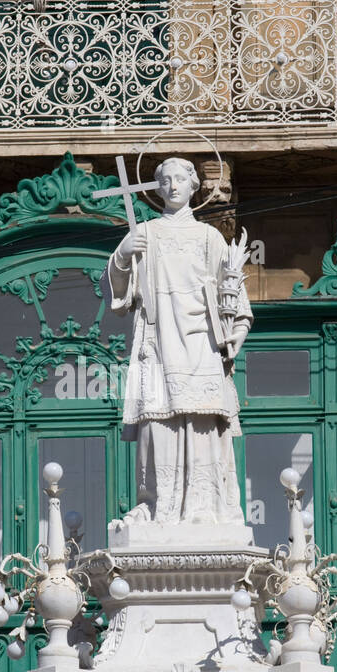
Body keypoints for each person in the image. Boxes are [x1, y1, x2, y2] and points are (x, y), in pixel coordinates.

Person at [106, 157, 252, 526]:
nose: (172, 186)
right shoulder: (147, 233)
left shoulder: (209, 237)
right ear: (157, 189)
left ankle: (204, 505)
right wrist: (123, 253)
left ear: (193, 187)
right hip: (157, 337)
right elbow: (121, 292)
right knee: (158, 419)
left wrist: (237, 332)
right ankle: (158, 504)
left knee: (202, 415)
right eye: (165, 180)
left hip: (202, 339)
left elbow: (232, 289)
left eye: (180, 180)